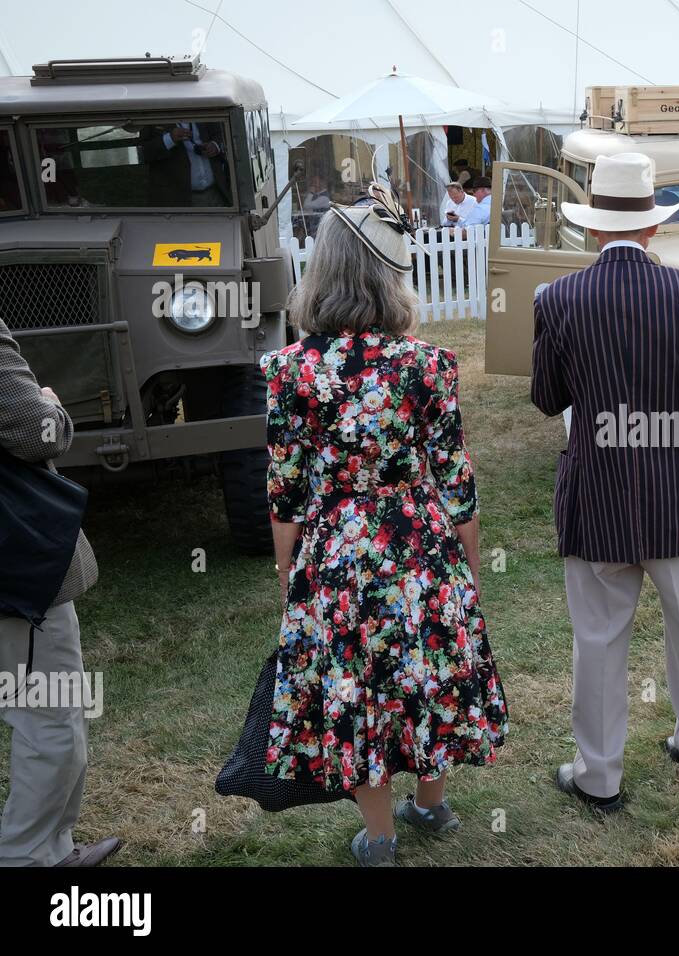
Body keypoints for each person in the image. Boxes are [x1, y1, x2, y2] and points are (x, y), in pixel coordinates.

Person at [260, 181, 508, 865]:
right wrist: (469, 565)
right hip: (418, 540)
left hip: (337, 551)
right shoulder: (429, 365)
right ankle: (430, 806)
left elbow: (284, 490)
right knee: (425, 666)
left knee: (355, 686)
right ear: (389, 275)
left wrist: (289, 575)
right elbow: (455, 477)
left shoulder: (290, 372)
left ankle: (380, 836)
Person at [532, 152, 679, 812]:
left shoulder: (557, 300)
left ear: (594, 228)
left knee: (597, 640)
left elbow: (546, 398)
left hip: (599, 495)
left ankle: (599, 775)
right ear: (652, 228)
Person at [0, 319, 118, 867]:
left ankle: (54, 848)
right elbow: (34, 429)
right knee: (50, 716)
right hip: (17, 570)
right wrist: (53, 407)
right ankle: (29, 859)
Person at [137, 120, 230, 206]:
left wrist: (215, 145)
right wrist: (169, 139)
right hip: (177, 200)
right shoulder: (152, 111)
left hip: (216, 193)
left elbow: (223, 131)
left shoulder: (203, 104)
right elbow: (142, 153)